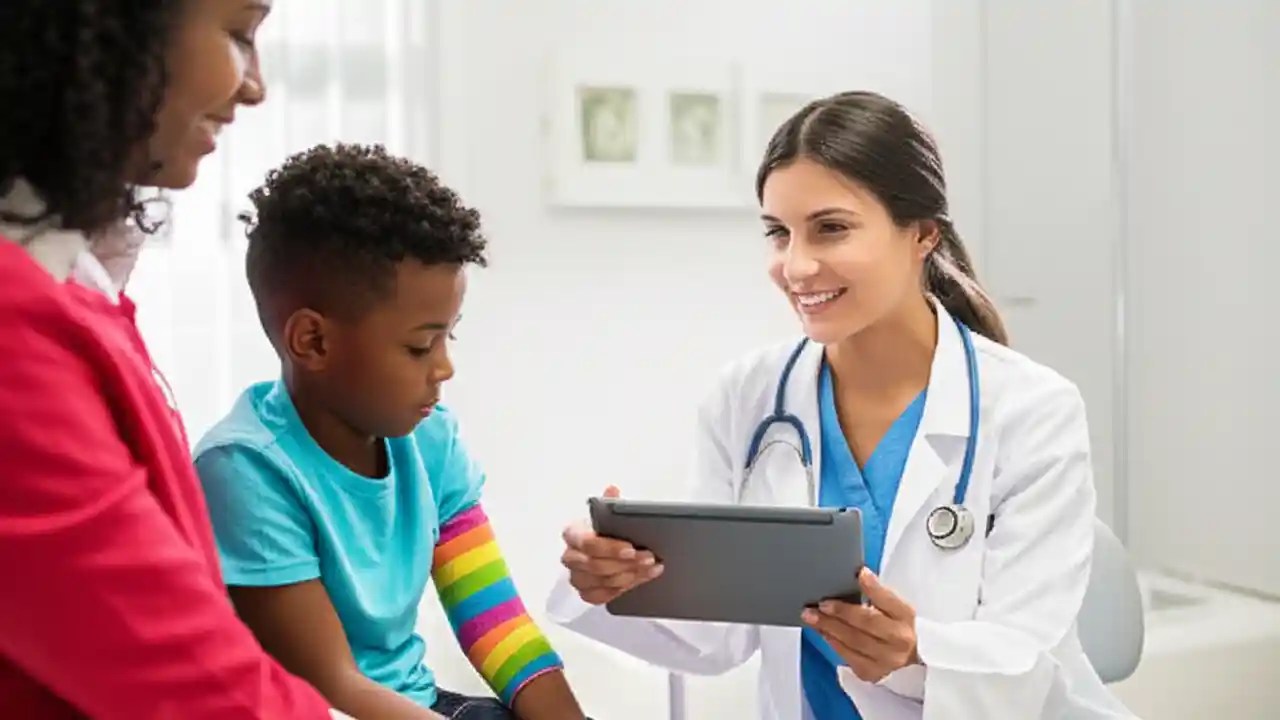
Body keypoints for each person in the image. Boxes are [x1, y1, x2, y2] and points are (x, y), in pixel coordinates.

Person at [548, 91, 1136, 719]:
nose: (795, 266)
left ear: (922, 234)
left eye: (831, 228)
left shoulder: (1031, 411)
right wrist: (620, 585)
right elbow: (719, 636)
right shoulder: (748, 398)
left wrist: (918, 652)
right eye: (779, 233)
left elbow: (1026, 659)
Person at [0, 1, 342, 718]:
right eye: (239, 35)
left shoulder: (70, 286)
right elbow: (202, 691)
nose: (255, 87)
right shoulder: (15, 331)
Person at [193, 143, 589, 720]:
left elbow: (496, 624)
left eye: (449, 336)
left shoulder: (429, 440)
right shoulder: (246, 470)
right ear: (313, 342)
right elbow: (333, 687)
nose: (444, 367)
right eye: (419, 345)